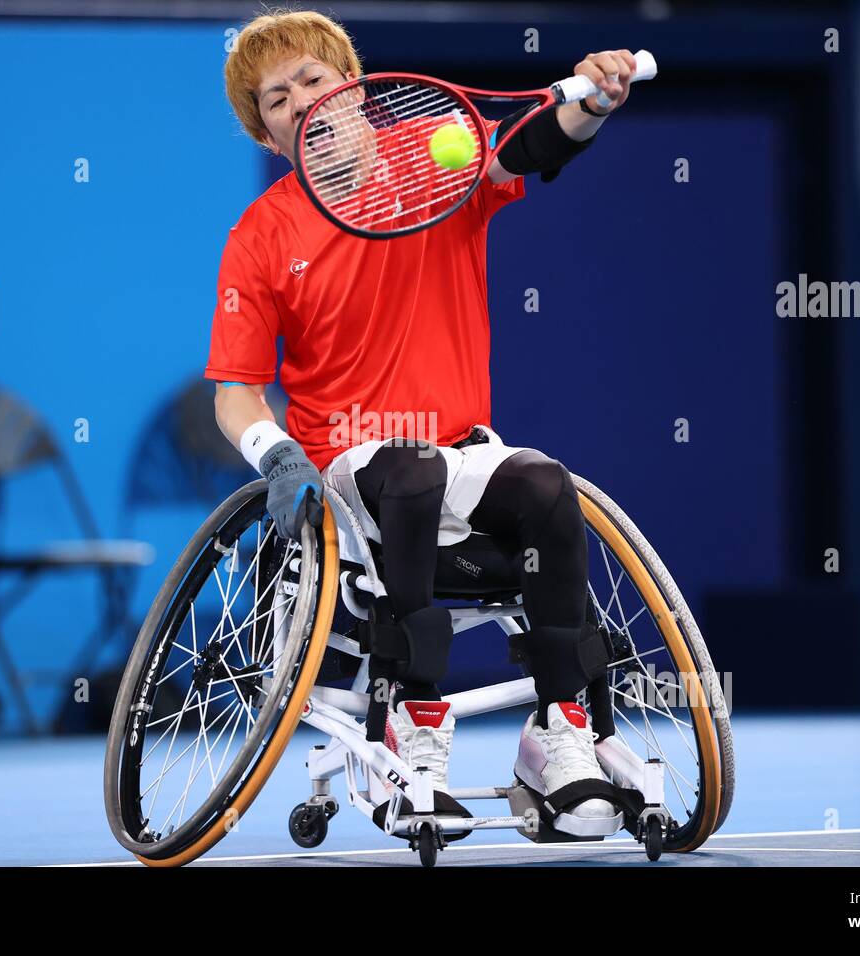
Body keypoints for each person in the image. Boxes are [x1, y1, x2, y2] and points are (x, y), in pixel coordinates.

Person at [206, 8, 640, 836]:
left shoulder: (437, 155)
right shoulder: (259, 238)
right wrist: (277, 457)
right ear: (265, 134)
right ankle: (410, 722)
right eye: (274, 99)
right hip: (350, 476)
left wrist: (594, 100)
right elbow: (235, 392)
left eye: (313, 80)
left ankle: (559, 733)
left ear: (356, 90)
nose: (299, 102)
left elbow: (526, 147)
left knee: (547, 484)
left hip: (459, 453)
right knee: (409, 471)